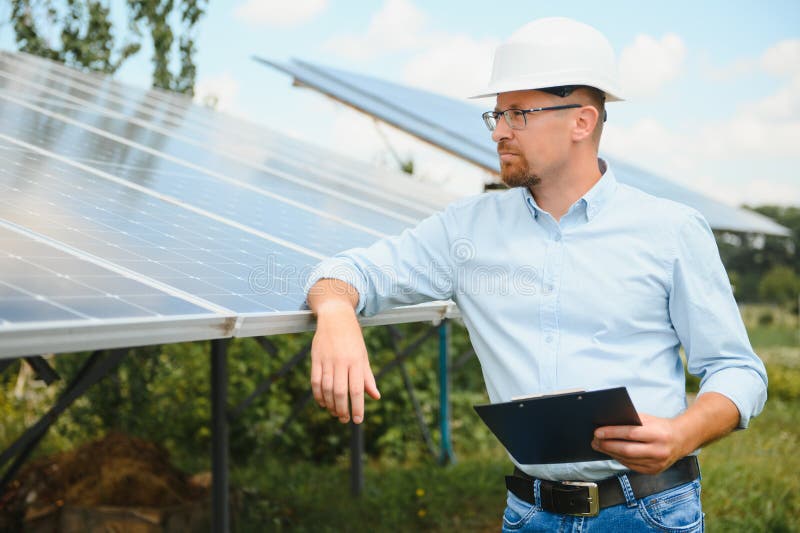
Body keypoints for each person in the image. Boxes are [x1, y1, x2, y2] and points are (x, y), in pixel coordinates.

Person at [303, 17, 767, 532]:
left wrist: (682, 433)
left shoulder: (670, 230)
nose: (499, 130)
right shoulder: (466, 231)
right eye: (497, 114)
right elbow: (348, 272)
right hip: (530, 516)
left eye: (519, 113)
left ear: (582, 122)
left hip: (651, 512)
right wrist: (336, 312)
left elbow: (737, 369)